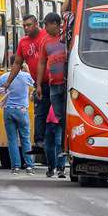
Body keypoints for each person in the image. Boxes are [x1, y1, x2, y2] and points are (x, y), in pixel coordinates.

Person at [2, 14, 49, 150]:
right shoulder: (23, 42)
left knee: (55, 116)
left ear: (36, 24)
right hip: (39, 84)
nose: (26, 28)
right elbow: (17, 63)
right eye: (24, 26)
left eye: (29, 25)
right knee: (40, 113)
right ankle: (39, 142)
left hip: (53, 81)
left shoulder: (46, 36)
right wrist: (8, 82)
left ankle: (56, 142)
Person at [37, 12, 67, 178]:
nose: (45, 27)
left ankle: (62, 159)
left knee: (62, 123)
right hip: (53, 85)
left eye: (47, 24)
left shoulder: (66, 37)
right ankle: (57, 162)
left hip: (67, 84)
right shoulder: (45, 41)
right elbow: (42, 62)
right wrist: (39, 84)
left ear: (56, 24)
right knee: (59, 121)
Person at [0, 63, 35, 175]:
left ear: (12, 65)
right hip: (22, 111)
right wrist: (28, 70)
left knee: (12, 140)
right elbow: (34, 83)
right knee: (25, 139)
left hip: (8, 110)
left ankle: (15, 167)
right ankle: (29, 166)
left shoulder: (5, 76)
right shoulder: (25, 76)